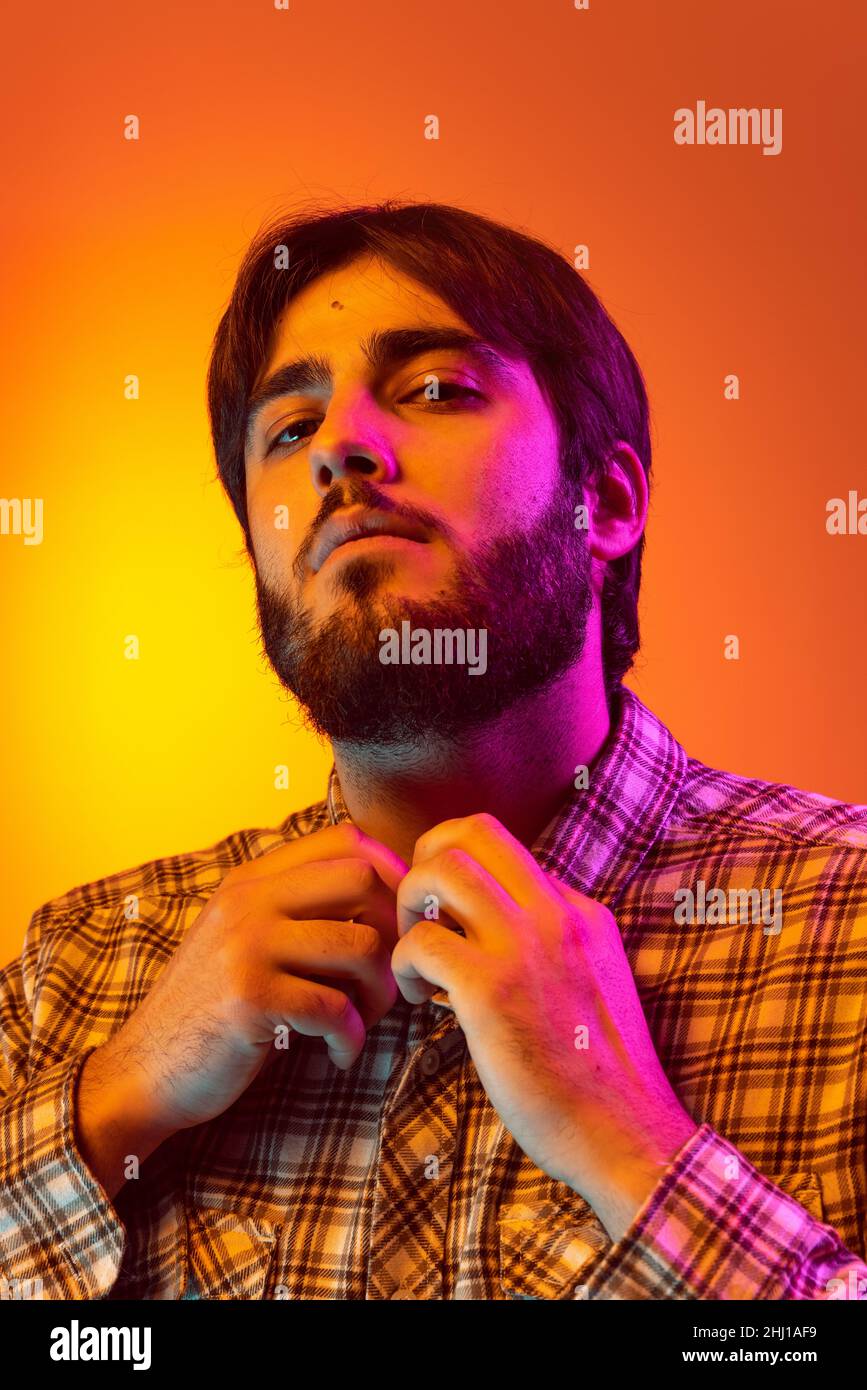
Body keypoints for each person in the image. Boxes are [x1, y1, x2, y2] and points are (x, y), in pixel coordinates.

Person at [1, 201, 864, 1301]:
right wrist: (120, 1097)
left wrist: (637, 1152)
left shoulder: (851, 922)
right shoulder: (80, 967)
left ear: (605, 499)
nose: (342, 452)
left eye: (437, 390)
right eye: (289, 429)